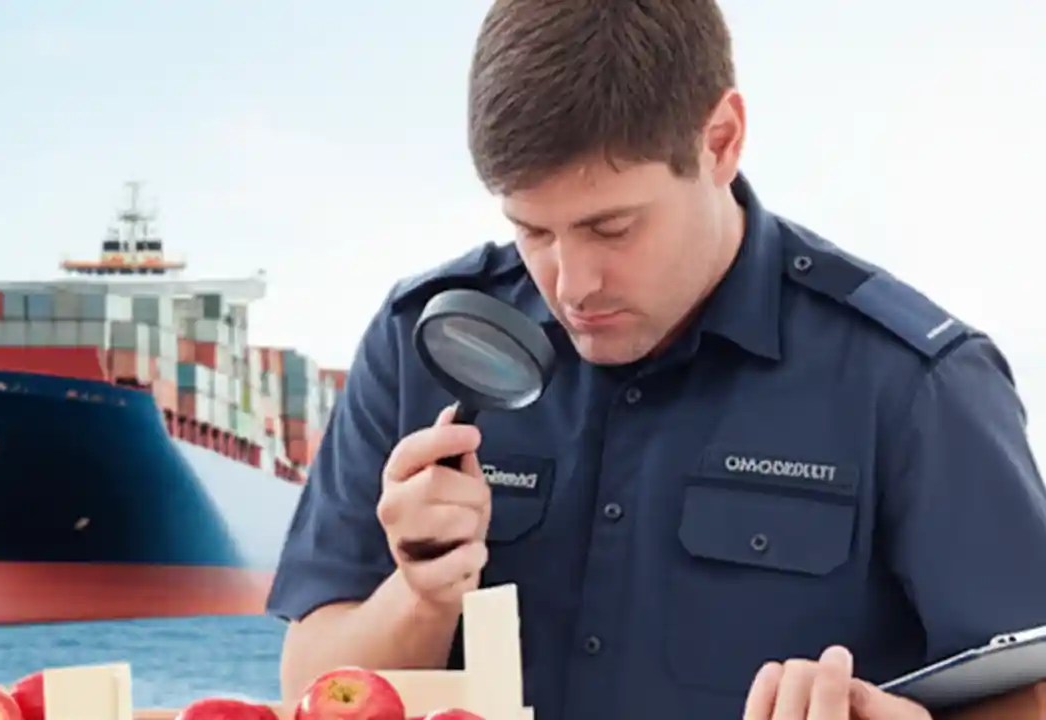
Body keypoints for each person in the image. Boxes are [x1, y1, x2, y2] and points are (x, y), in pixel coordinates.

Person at [264, 0, 1046, 718]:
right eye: (533, 231)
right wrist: (421, 595)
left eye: (611, 228)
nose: (571, 285)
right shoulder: (422, 344)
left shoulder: (915, 382)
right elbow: (313, 688)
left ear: (721, 142)